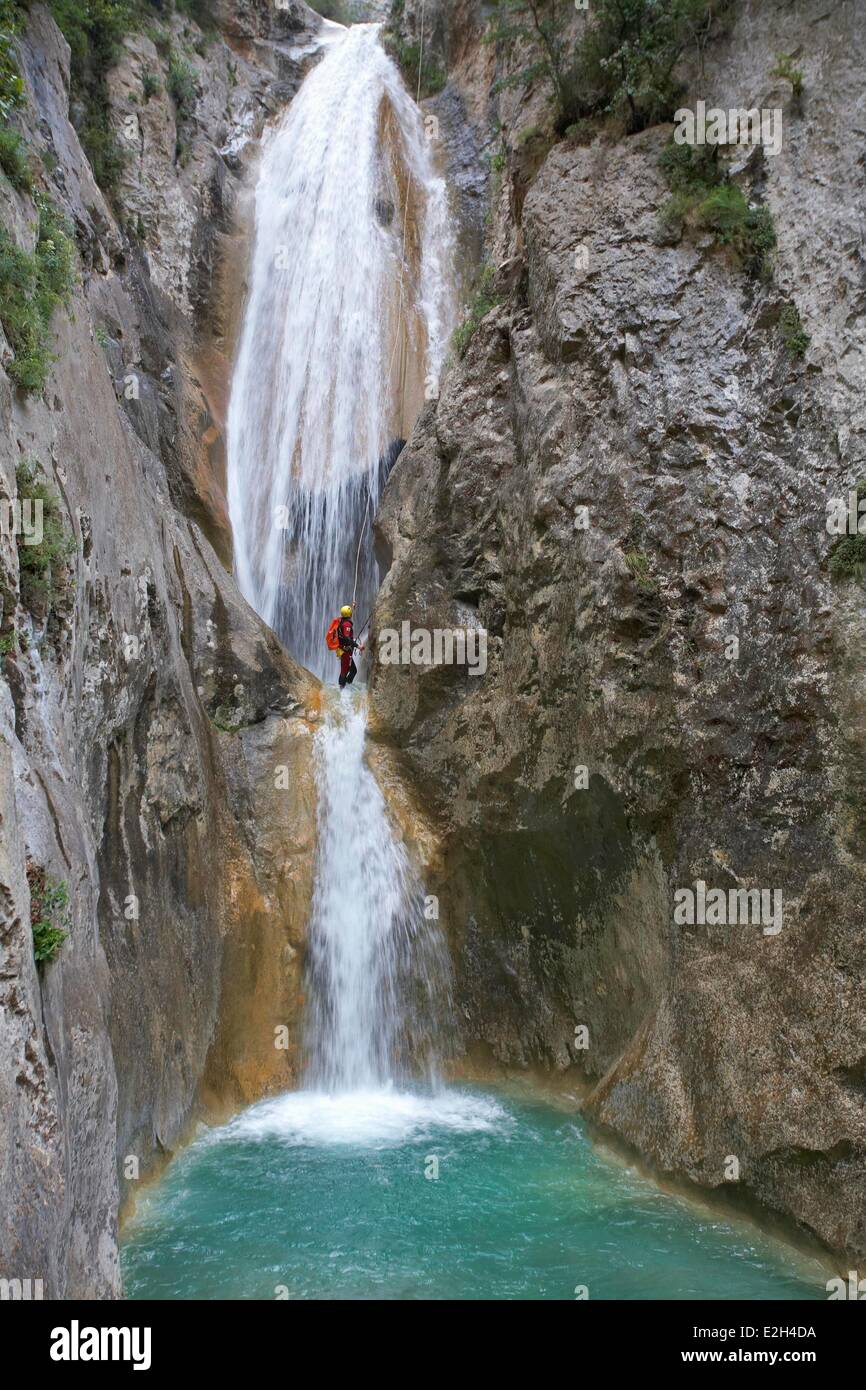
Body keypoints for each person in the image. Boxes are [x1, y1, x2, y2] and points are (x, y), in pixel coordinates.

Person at [336, 604, 363, 688]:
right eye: (351, 612)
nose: (352, 613)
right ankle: (342, 688)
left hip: (343, 649)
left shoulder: (342, 621)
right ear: (349, 614)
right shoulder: (347, 624)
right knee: (345, 670)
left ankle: (345, 686)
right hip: (346, 651)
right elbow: (347, 638)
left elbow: (345, 637)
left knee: (352, 670)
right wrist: (358, 646)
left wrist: (353, 605)